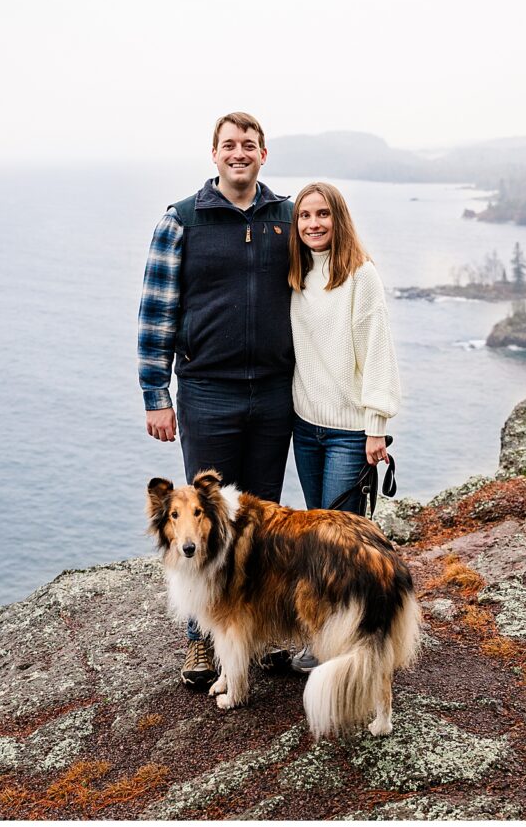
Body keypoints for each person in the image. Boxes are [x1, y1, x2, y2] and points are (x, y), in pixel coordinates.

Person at [137, 111, 296, 688]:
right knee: (202, 520)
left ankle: (262, 632)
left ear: (263, 153)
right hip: (206, 392)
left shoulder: (286, 216)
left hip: (276, 393)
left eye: (248, 145)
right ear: (214, 154)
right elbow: (156, 311)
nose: (239, 153)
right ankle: (202, 642)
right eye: (229, 145)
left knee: (263, 519)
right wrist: (157, 394)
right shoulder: (181, 221)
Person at [283, 181, 401, 673]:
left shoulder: (360, 275)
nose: (313, 224)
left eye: (322, 215)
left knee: (342, 545)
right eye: (305, 216)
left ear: (339, 219)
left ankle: (354, 642)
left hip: (349, 432)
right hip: (304, 426)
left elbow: (377, 352)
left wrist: (376, 427)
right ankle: (334, 634)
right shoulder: (296, 276)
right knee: (320, 542)